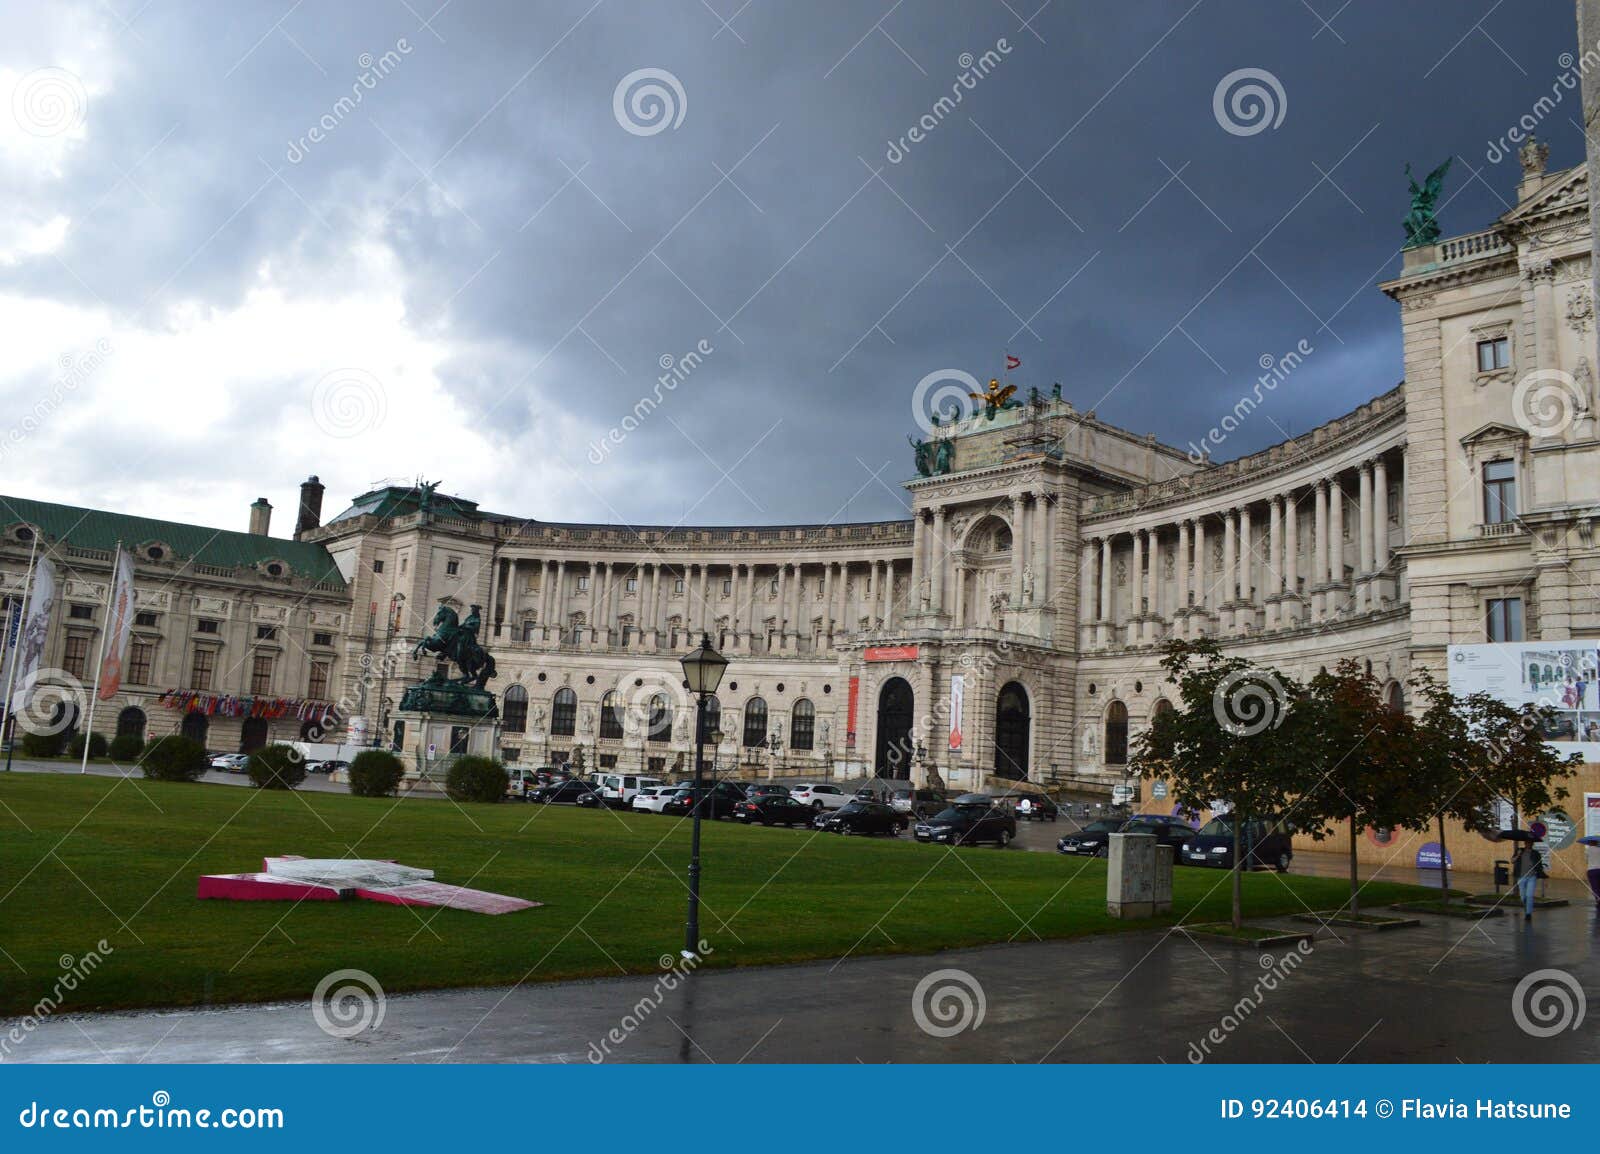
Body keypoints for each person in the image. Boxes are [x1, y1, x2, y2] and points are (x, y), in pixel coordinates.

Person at [1512, 839, 1545, 920]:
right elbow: (1512, 861)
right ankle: (1527, 908)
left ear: (1532, 844)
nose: (1528, 844)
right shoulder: (1519, 851)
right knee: (1523, 897)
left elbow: (1539, 866)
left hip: (1532, 877)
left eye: (1530, 843)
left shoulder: (1536, 854)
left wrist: (1541, 875)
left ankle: (1528, 914)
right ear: (1525, 843)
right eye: (1527, 842)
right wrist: (1518, 855)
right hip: (1521, 877)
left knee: (1529, 896)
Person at [1587, 839, 1600, 909]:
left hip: (1591, 870)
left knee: (1595, 887)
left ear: (1590, 843)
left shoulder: (1587, 850)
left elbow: (1586, 859)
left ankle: (1598, 899)